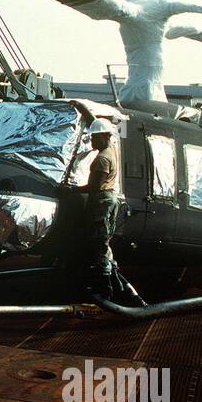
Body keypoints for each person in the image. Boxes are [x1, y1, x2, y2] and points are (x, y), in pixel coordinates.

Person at [70, 118, 120, 292]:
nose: (91, 141)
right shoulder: (112, 149)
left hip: (102, 202)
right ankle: (115, 282)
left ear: (103, 137)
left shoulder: (102, 159)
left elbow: (94, 187)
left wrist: (70, 191)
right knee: (104, 242)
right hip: (110, 199)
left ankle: (105, 287)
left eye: (93, 137)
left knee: (98, 242)